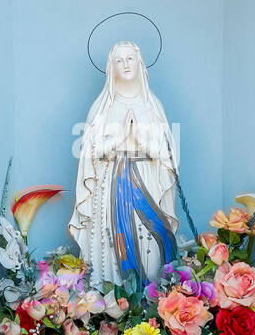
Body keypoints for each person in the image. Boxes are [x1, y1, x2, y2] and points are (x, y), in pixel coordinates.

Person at [68, 41, 179, 287]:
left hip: (147, 181)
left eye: (130, 58)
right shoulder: (103, 107)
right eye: (119, 60)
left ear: (140, 64)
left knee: (151, 243)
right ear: (112, 68)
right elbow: (91, 152)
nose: (126, 64)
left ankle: (151, 298)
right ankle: (112, 302)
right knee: (113, 241)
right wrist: (120, 136)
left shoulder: (152, 105)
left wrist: (139, 137)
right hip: (112, 183)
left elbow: (166, 153)